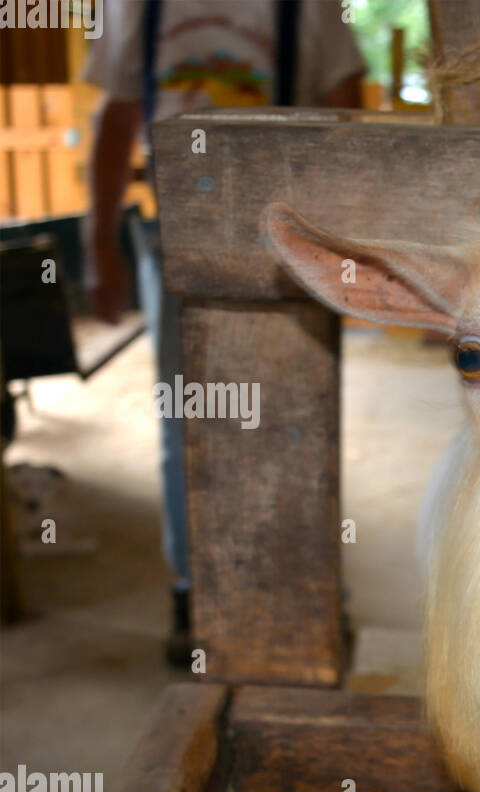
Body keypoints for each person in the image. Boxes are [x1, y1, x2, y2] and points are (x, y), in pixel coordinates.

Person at [82, 0, 365, 665]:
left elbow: (345, 102)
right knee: (189, 423)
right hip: (177, 231)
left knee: (299, 411)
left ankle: (312, 588)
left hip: (286, 238)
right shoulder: (133, 8)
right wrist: (100, 247)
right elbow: (117, 118)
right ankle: (197, 593)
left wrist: (344, 239)